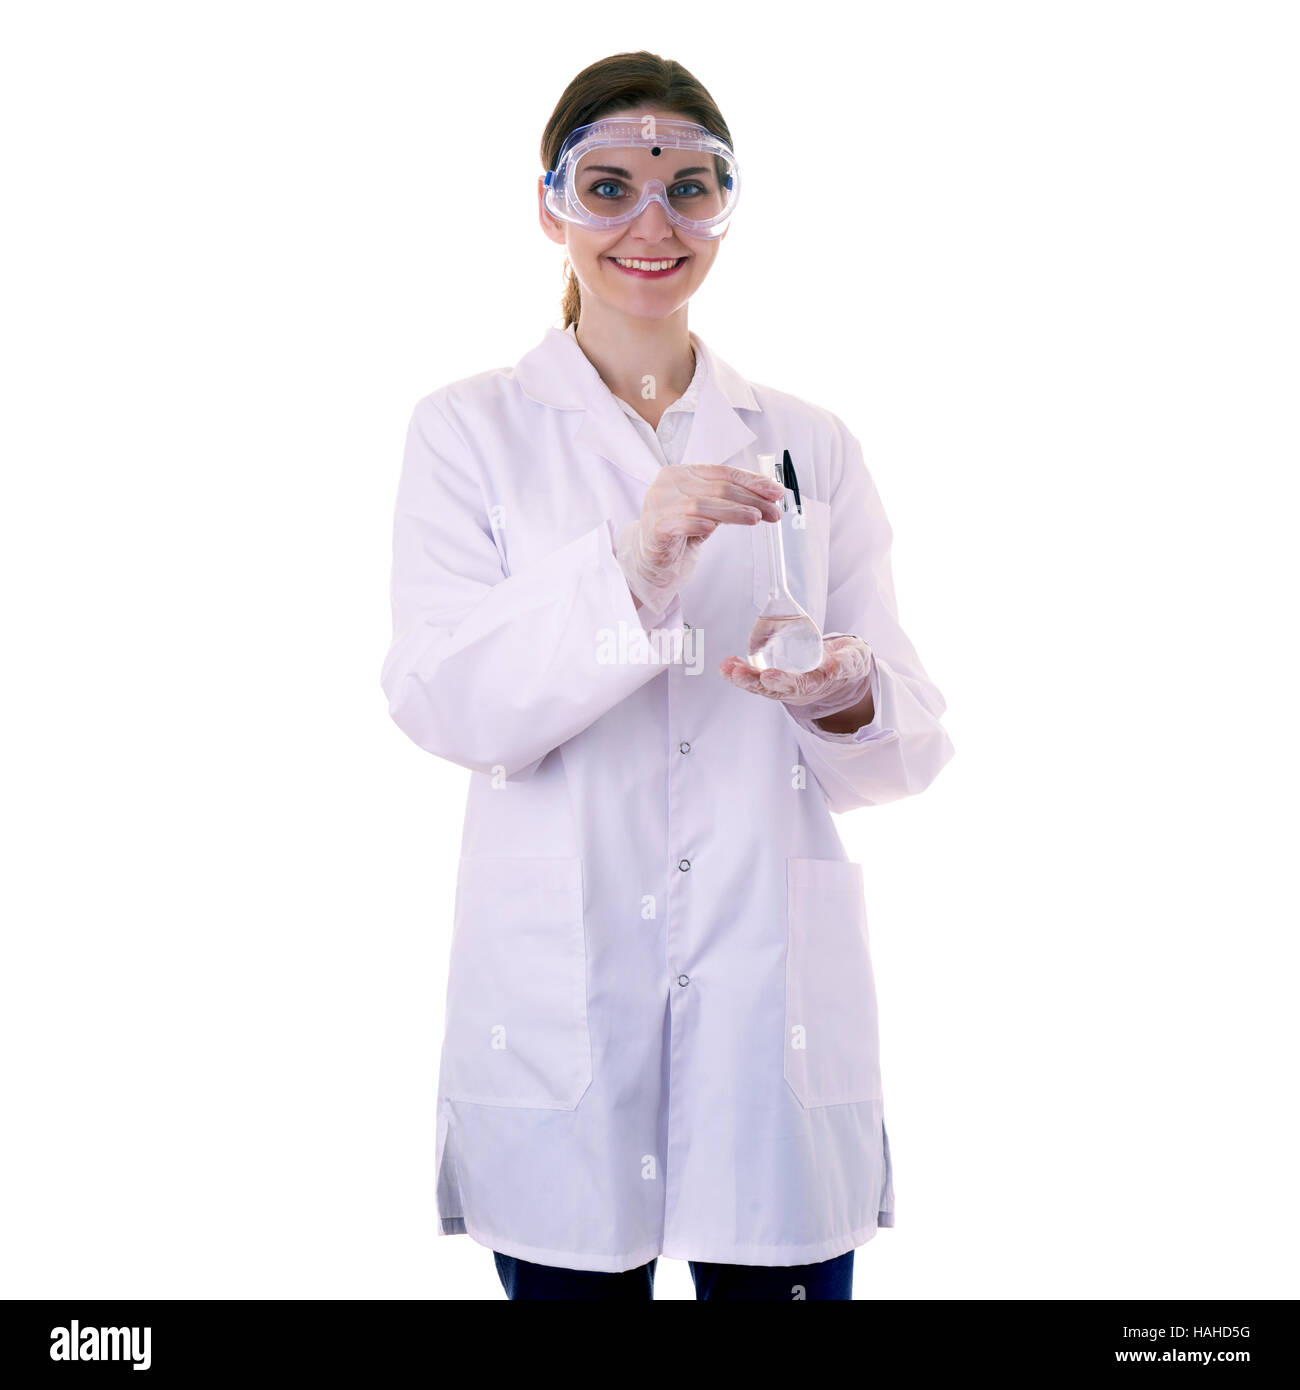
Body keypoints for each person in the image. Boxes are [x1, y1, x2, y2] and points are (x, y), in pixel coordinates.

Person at [380, 51, 955, 1301]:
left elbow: (908, 743)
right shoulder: (469, 431)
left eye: (690, 187)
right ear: (550, 208)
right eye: (608, 187)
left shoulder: (809, 443)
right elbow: (441, 698)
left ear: (725, 209)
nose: (653, 224)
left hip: (768, 1006)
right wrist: (626, 572)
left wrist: (842, 692)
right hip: (561, 1007)